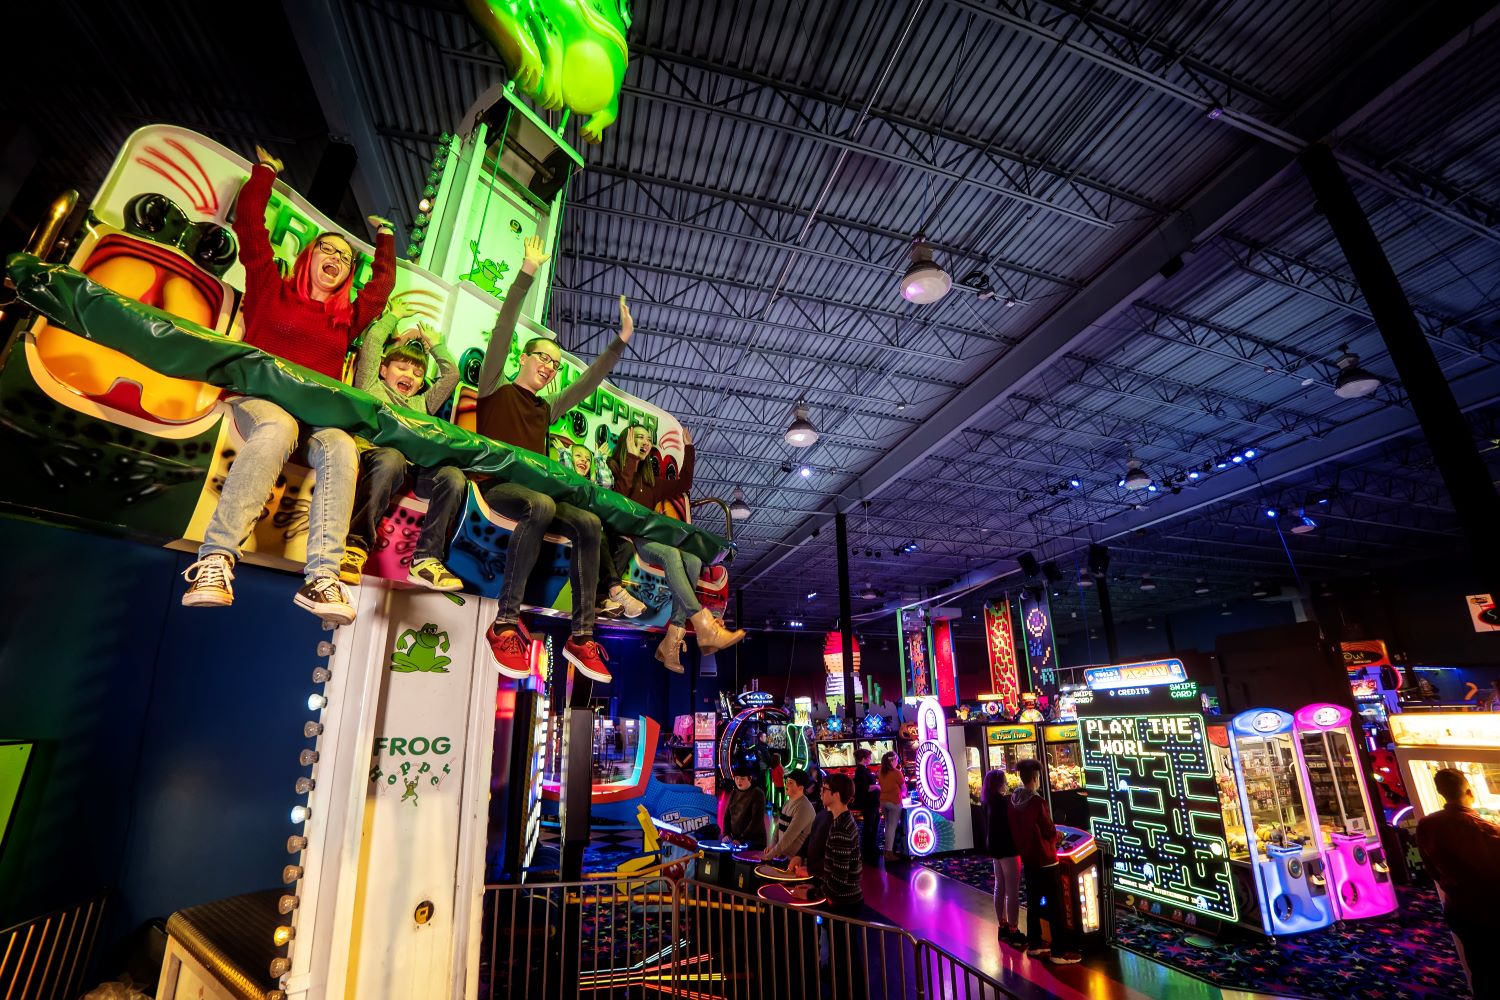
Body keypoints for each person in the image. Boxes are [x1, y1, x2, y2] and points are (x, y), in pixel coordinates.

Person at [181, 145, 394, 625]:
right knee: (277, 426)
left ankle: (322, 577)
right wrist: (264, 174)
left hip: (314, 421)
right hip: (259, 402)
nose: (336, 257)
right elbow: (251, 227)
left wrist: (384, 240)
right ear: (310, 254)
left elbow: (379, 292)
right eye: (328, 248)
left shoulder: (345, 320)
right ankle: (215, 559)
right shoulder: (270, 285)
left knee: (342, 445)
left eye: (344, 255)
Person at [473, 236, 632, 682]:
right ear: (523, 358)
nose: (549, 366)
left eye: (555, 363)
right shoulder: (494, 389)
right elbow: (504, 326)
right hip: (497, 488)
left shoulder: (546, 410)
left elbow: (585, 385)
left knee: (589, 522)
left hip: (535, 495)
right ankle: (505, 621)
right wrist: (526, 273)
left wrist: (619, 343)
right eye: (543, 356)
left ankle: (581, 636)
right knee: (541, 505)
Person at [340, 301, 464, 590]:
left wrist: (436, 346)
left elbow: (452, 376)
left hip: (411, 469)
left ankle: (426, 559)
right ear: (384, 370)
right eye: (402, 368)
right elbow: (372, 343)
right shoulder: (370, 384)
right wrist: (393, 317)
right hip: (374, 458)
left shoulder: (421, 403)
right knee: (392, 457)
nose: (409, 376)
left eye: (417, 373)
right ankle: (356, 546)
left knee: (453, 476)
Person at [606, 422, 743, 671]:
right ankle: (703, 625)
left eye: (649, 439)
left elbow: (683, 485)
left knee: (693, 560)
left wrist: (689, 450)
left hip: (652, 537)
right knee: (670, 554)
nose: (646, 442)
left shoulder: (651, 482)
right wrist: (632, 458)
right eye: (639, 437)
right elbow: (620, 495)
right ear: (627, 440)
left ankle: (673, 639)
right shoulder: (616, 468)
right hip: (630, 537)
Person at [1415, 768, 1500, 997]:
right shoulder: (1486, 829)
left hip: (1459, 909)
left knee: (1479, 965)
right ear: (1470, 792)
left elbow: (1430, 867)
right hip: (1491, 911)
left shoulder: (1426, 824)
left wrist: (1450, 886)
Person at [793, 773, 866, 1000]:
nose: (821, 792)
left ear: (835, 795)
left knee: (845, 956)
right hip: (844, 899)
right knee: (843, 954)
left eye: (825, 789)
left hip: (844, 902)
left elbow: (839, 878)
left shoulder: (841, 828)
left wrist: (813, 893)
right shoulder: (837, 821)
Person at [1009, 758, 1079, 964]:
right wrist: (1058, 836)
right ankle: (1059, 951)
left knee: (1034, 902)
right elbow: (1049, 830)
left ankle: (1035, 943)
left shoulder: (1013, 801)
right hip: (1046, 859)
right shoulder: (1037, 802)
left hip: (1029, 859)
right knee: (1056, 905)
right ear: (1035, 778)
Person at [983, 768, 1024, 947]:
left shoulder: (987, 801)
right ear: (1000, 783)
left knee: (1000, 886)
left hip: (994, 847)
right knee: (1012, 889)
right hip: (1008, 847)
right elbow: (1014, 824)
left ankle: (1003, 925)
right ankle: (1014, 930)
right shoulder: (1004, 802)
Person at [762, 769, 815, 862]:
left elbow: (789, 835)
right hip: (784, 857)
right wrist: (772, 846)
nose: (786, 785)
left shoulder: (803, 807)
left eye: (790, 783)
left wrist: (771, 854)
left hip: (797, 861)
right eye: (786, 782)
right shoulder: (787, 802)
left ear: (801, 788)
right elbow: (778, 828)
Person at [724, 767, 768, 849]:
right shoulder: (734, 793)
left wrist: (741, 839)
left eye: (742, 779)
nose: (738, 781)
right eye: (736, 778)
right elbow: (727, 816)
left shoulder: (757, 793)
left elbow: (756, 821)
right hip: (735, 840)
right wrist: (726, 834)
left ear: (749, 779)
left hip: (753, 841)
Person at [851, 748, 881, 864]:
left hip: (871, 803)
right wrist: (876, 787)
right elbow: (863, 788)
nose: (871, 759)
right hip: (867, 803)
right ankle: (868, 850)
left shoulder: (863, 770)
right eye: (869, 757)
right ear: (863, 759)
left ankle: (873, 848)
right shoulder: (861, 771)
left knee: (873, 825)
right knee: (869, 827)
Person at [878, 752, 905, 861]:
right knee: (891, 827)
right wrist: (903, 794)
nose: (897, 762)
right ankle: (889, 853)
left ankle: (886, 850)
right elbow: (903, 789)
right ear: (892, 761)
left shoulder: (881, 772)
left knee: (888, 825)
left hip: (883, 801)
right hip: (894, 802)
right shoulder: (897, 773)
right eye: (896, 760)